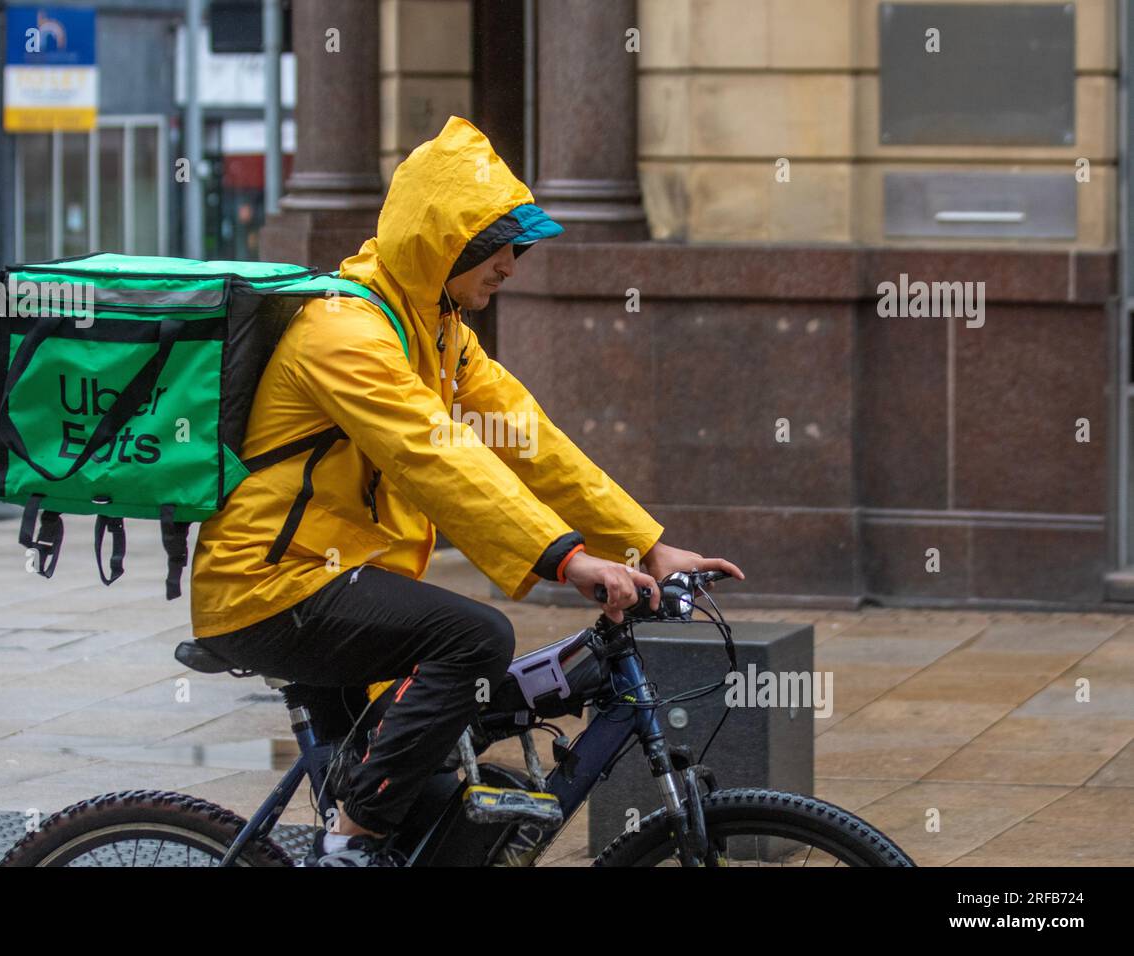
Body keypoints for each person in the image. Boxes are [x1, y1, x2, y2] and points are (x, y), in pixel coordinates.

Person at [190, 115, 743, 866]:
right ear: (444, 244)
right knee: (474, 638)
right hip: (271, 585)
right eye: (501, 247)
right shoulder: (345, 331)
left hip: (341, 580)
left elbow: (528, 440)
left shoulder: (437, 330)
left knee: (443, 809)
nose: (513, 265)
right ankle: (348, 848)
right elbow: (437, 458)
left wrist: (647, 544)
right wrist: (566, 558)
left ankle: (366, 835)